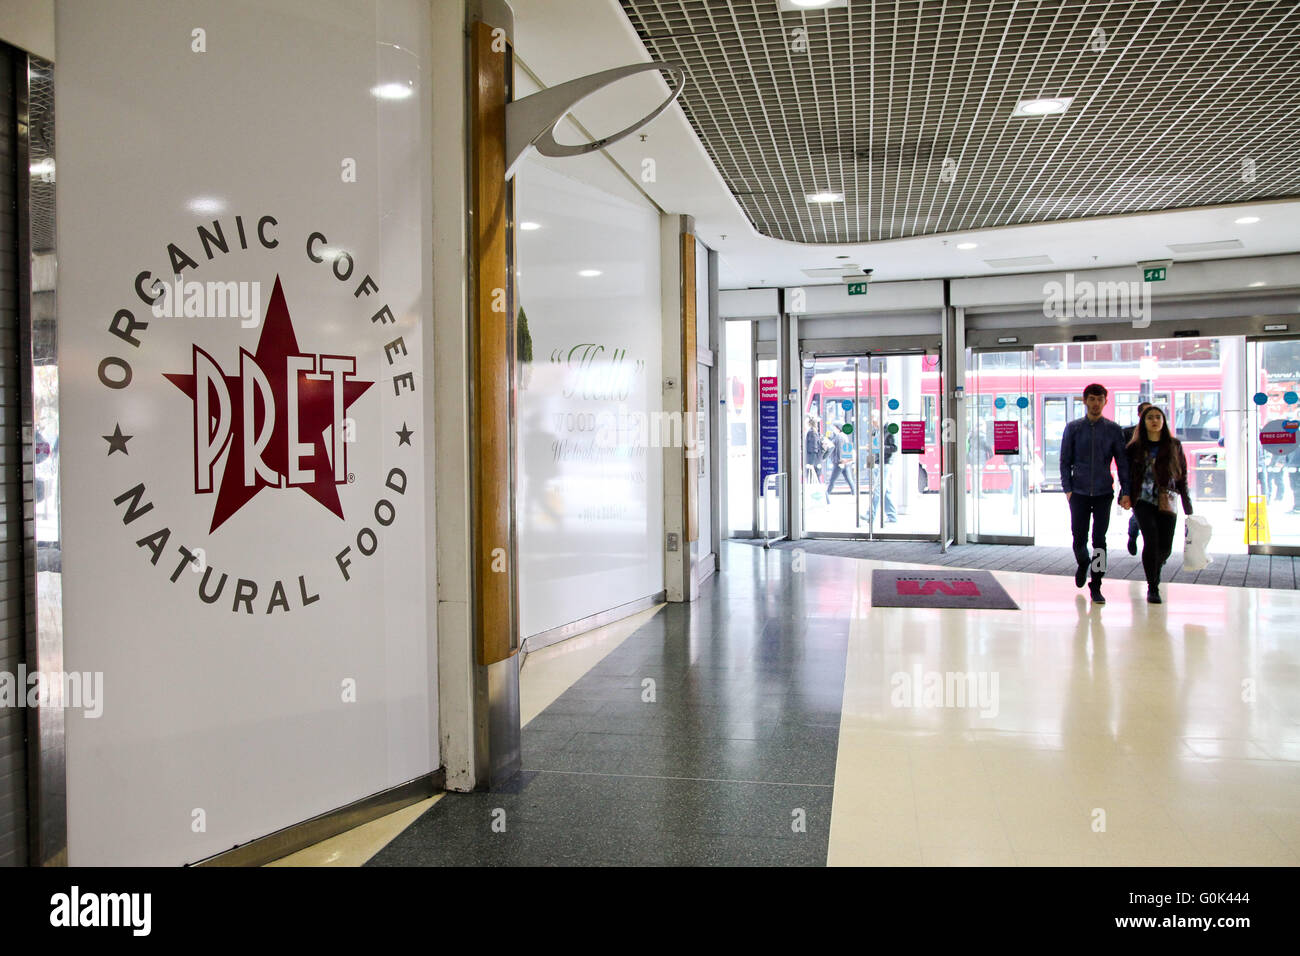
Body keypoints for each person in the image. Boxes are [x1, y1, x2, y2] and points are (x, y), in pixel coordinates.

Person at [1060, 383, 1132, 605]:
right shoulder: (1073, 428)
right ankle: (1083, 562)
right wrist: (1068, 489)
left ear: (1105, 402)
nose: (1095, 403)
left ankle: (1097, 584)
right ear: (1085, 401)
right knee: (1078, 537)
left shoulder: (1113, 429)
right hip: (1079, 493)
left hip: (1103, 493)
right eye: (1091, 399)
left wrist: (1125, 491)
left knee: (1099, 540)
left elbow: (1122, 463)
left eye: (1099, 399)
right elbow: (1064, 461)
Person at [1126, 405, 1192, 604]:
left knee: (1165, 547)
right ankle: (1152, 587)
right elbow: (1127, 476)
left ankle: (1156, 566)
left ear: (1163, 422)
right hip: (1143, 501)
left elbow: (1182, 476)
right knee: (1151, 541)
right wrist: (1126, 495)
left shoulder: (1174, 445)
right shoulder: (1134, 448)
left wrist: (1187, 504)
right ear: (1143, 422)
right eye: (1149, 418)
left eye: (1158, 417)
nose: (1154, 421)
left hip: (1167, 501)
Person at [1123, 402, 1153, 555]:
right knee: (1139, 516)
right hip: (1136, 483)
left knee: (1156, 518)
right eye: (1147, 413)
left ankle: (1156, 551)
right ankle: (1133, 535)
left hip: (1155, 485)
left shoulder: (1158, 432)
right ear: (1139, 415)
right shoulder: (1128, 433)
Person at [825, 425, 856, 495]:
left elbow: (839, 449)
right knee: (849, 479)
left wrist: (840, 460)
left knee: (832, 480)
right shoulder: (843, 436)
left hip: (840, 462)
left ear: (838, 429)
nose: (833, 429)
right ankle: (854, 493)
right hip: (845, 462)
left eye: (835, 428)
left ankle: (826, 494)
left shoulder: (839, 437)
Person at [804, 415, 825, 482]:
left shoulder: (811, 433)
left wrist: (811, 463)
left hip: (812, 460)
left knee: (812, 477)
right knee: (815, 477)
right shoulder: (814, 432)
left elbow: (813, 448)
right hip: (815, 460)